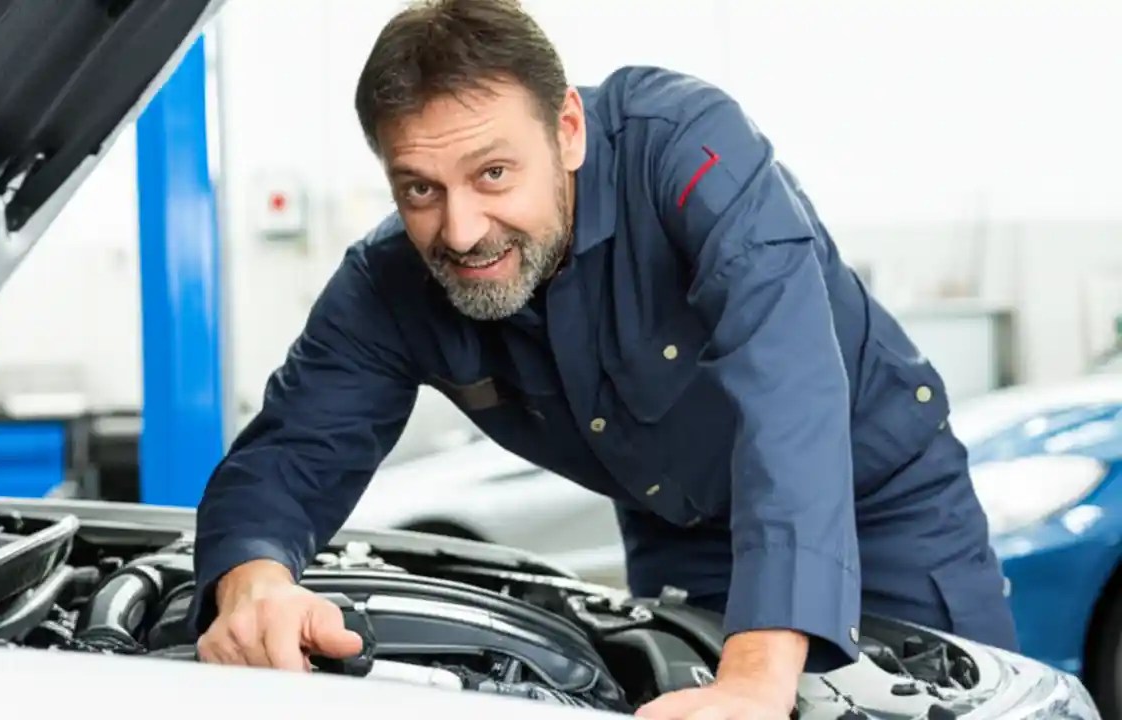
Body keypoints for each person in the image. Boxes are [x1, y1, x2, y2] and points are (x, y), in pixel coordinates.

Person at [189, 0, 1018, 717]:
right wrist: (253, 581)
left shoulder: (687, 151)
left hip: (883, 506)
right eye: (420, 189)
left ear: (569, 131)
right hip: (681, 536)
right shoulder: (390, 282)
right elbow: (291, 455)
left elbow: (788, 386)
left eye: (495, 172)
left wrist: (760, 669)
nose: (464, 228)